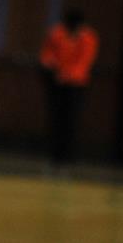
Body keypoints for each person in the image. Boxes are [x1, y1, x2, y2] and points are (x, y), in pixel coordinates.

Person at [41, 9, 99, 165]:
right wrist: (53, 70)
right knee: (56, 118)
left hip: (76, 84)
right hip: (57, 84)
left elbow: (85, 61)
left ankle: (69, 154)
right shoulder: (57, 33)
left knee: (72, 119)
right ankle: (55, 153)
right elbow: (47, 55)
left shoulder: (87, 37)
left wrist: (66, 75)